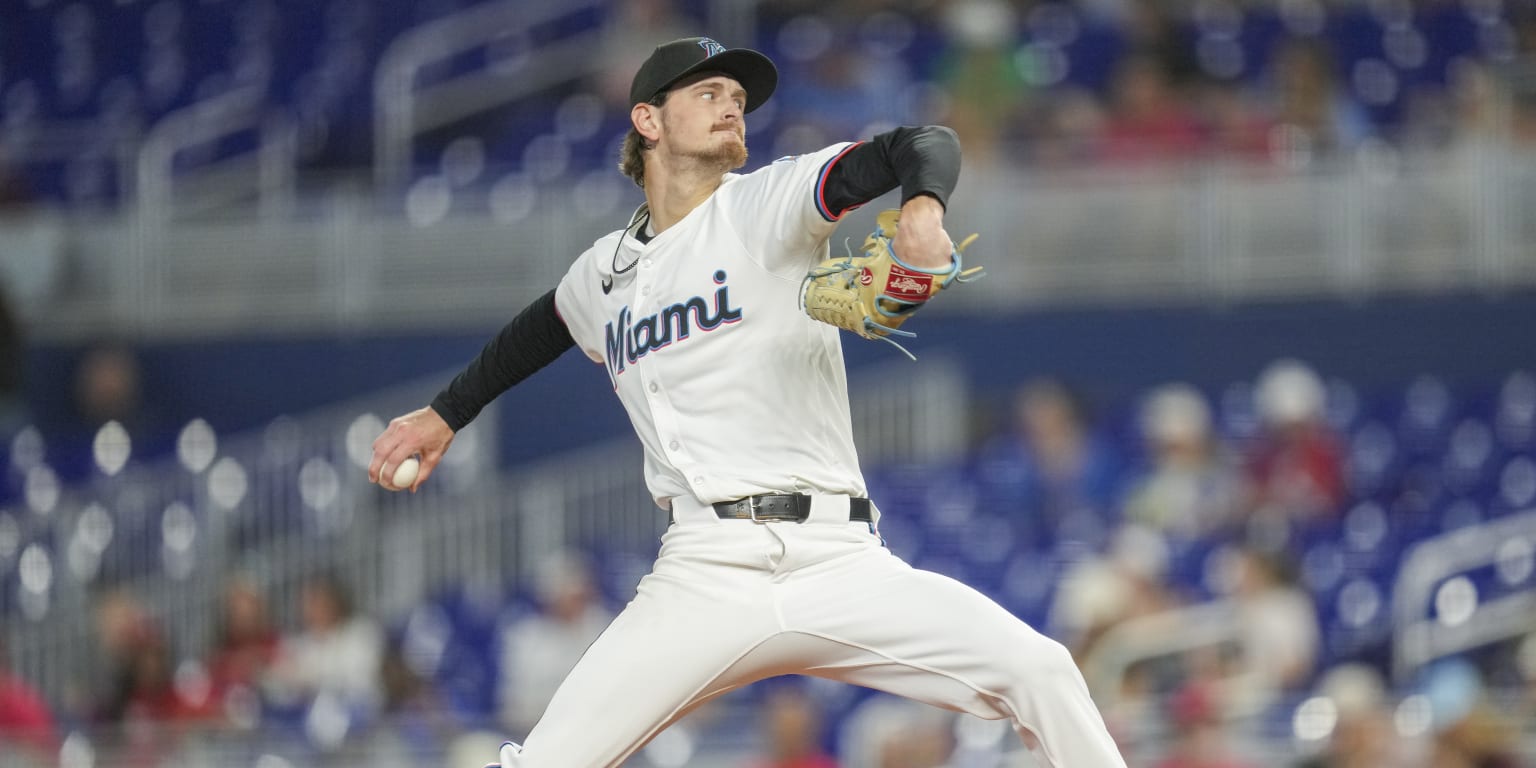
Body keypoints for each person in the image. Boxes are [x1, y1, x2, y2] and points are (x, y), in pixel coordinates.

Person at [369, 36, 1127, 768]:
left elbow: (918, 143)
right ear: (648, 120)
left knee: (1042, 671)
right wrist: (446, 415)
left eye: (738, 97)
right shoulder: (604, 272)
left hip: (839, 560)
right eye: (708, 94)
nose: (732, 106)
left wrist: (923, 208)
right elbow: (542, 328)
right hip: (702, 571)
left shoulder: (768, 203)